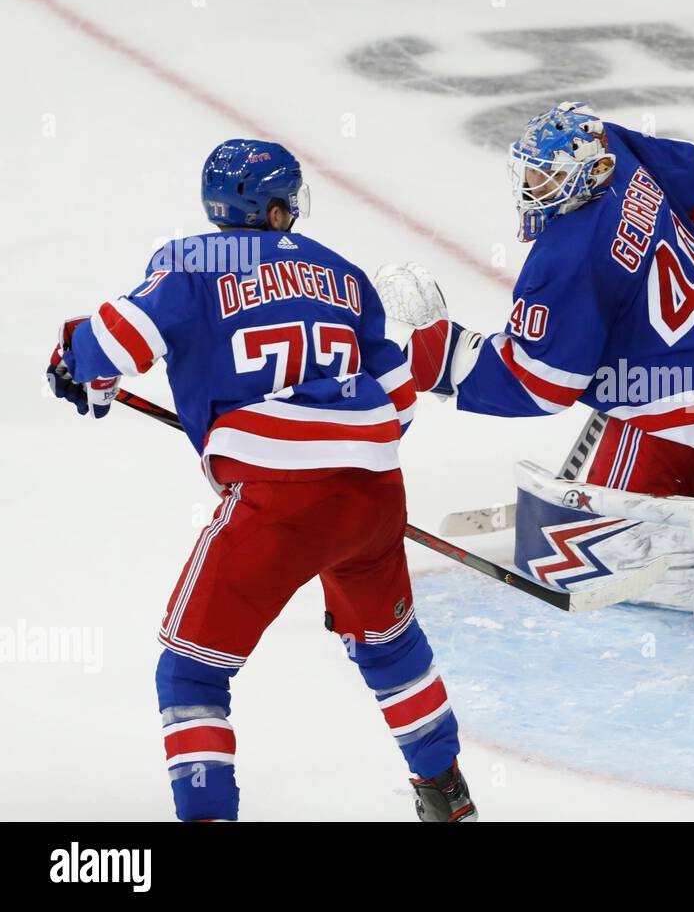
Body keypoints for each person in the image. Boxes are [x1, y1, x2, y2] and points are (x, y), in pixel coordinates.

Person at [46, 139, 475, 822]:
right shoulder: (343, 272)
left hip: (276, 503)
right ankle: (448, 795)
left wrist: (77, 367)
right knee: (393, 652)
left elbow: (111, 343)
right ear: (277, 208)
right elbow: (400, 406)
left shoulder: (189, 263)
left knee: (190, 673)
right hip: (372, 493)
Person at [375, 103, 694, 628]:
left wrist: (441, 360)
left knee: (588, 548)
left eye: (546, 177)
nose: (531, 186)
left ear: (585, 173)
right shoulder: (614, 147)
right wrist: (674, 264)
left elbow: (540, 383)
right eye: (531, 171)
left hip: (680, 411)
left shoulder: (564, 257)